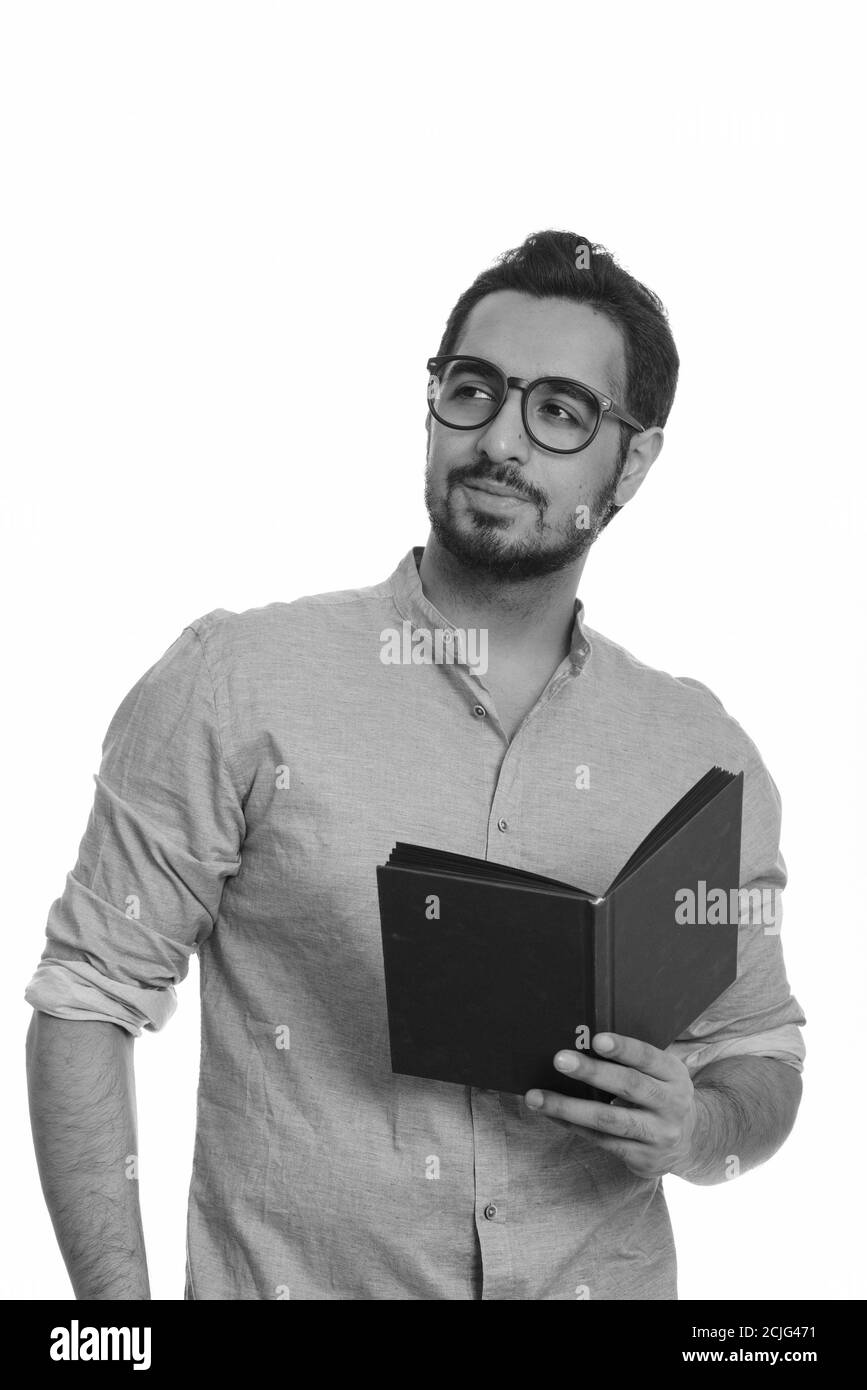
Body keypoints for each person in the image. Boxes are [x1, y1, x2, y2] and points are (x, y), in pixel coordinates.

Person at [25, 229, 805, 1301]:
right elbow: (86, 996)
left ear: (632, 460)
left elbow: (759, 1050)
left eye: (561, 411)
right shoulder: (239, 680)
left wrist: (698, 1125)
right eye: (473, 390)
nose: (501, 442)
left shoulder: (702, 757)